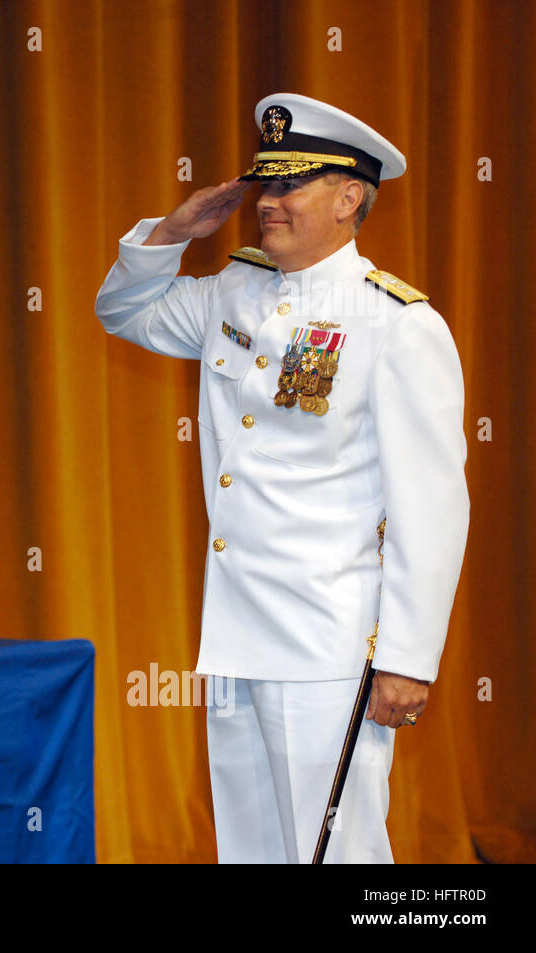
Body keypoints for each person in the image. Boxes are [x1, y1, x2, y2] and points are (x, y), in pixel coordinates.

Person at [94, 93, 468, 863]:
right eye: (265, 185)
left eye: (289, 185)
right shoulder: (236, 291)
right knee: (253, 850)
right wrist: (171, 234)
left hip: (327, 643)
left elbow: (432, 506)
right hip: (235, 638)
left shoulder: (397, 323)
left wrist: (406, 655)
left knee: (336, 852)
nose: (268, 202)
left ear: (348, 197)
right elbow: (121, 310)